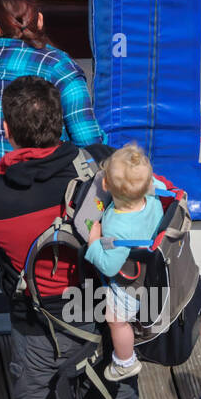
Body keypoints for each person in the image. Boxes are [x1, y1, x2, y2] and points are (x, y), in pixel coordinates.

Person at [0, 76, 139, 399]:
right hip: (105, 315)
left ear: (6, 130)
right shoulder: (101, 163)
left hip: (39, 328)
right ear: (61, 124)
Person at [0, 0, 106, 355]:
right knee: (38, 268)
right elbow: (89, 140)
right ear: (40, 20)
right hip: (33, 194)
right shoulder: (61, 67)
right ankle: (49, 343)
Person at [85, 144, 167, 382]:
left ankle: (125, 362)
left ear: (105, 186)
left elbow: (109, 266)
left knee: (116, 320)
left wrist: (93, 242)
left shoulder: (117, 227)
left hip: (130, 286)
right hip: (152, 269)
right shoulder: (153, 195)